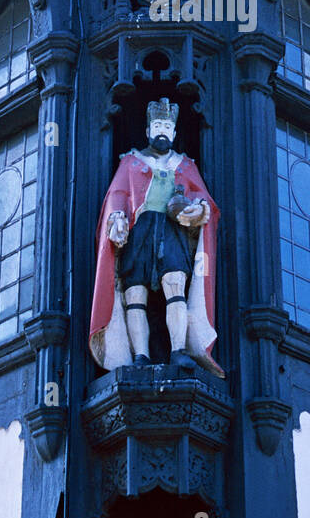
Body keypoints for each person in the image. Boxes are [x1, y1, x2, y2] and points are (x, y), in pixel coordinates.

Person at [89, 98, 222, 375]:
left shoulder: (185, 165)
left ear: (173, 133)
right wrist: (117, 218)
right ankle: (140, 356)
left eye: (167, 127)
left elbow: (201, 197)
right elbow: (118, 195)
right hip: (141, 230)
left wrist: (198, 209)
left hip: (172, 230)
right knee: (134, 293)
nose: (162, 131)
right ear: (149, 130)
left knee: (175, 284)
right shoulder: (131, 162)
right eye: (157, 125)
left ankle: (178, 351)